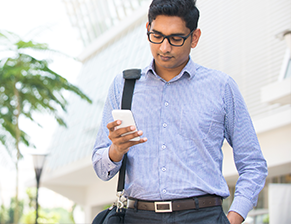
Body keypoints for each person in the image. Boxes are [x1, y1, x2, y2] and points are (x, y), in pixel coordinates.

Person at [92, 0, 268, 223]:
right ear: (148, 30)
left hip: (203, 216)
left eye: (176, 38)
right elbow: (100, 167)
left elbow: (253, 164)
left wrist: (234, 218)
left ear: (194, 37)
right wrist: (116, 150)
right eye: (157, 36)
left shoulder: (221, 87)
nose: (164, 48)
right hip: (138, 217)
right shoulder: (125, 86)